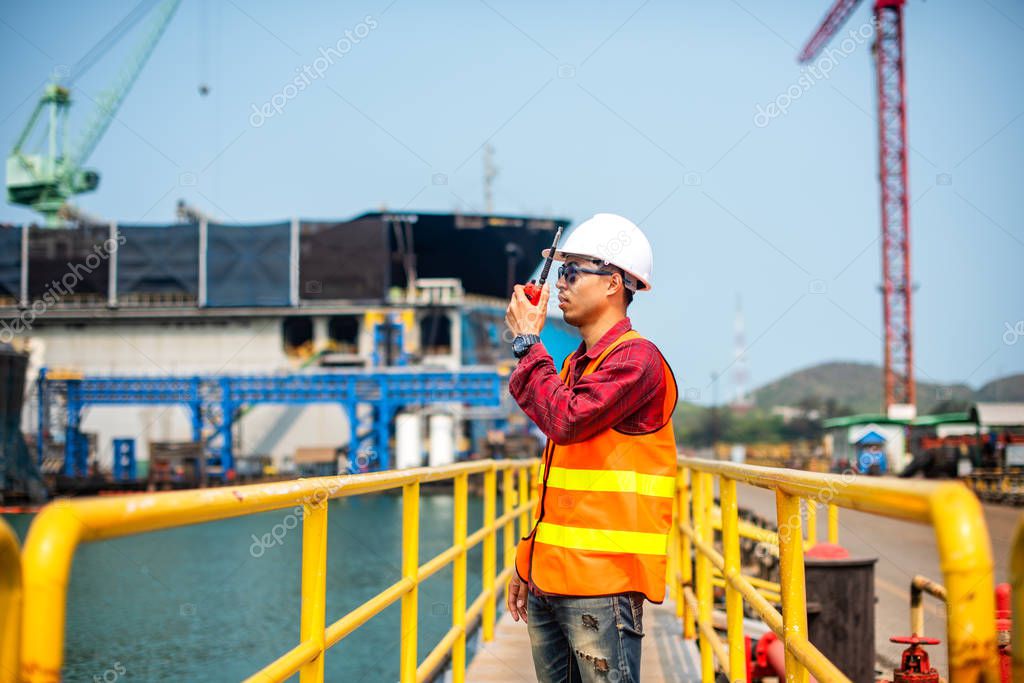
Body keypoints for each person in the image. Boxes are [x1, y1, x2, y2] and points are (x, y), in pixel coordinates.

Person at [503, 213, 678, 683]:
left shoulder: (636, 359)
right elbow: (562, 482)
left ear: (613, 283)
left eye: (572, 272)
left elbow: (566, 420)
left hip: (602, 586)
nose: (560, 283)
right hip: (551, 579)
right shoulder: (577, 364)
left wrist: (528, 343)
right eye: (560, 272)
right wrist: (528, 560)